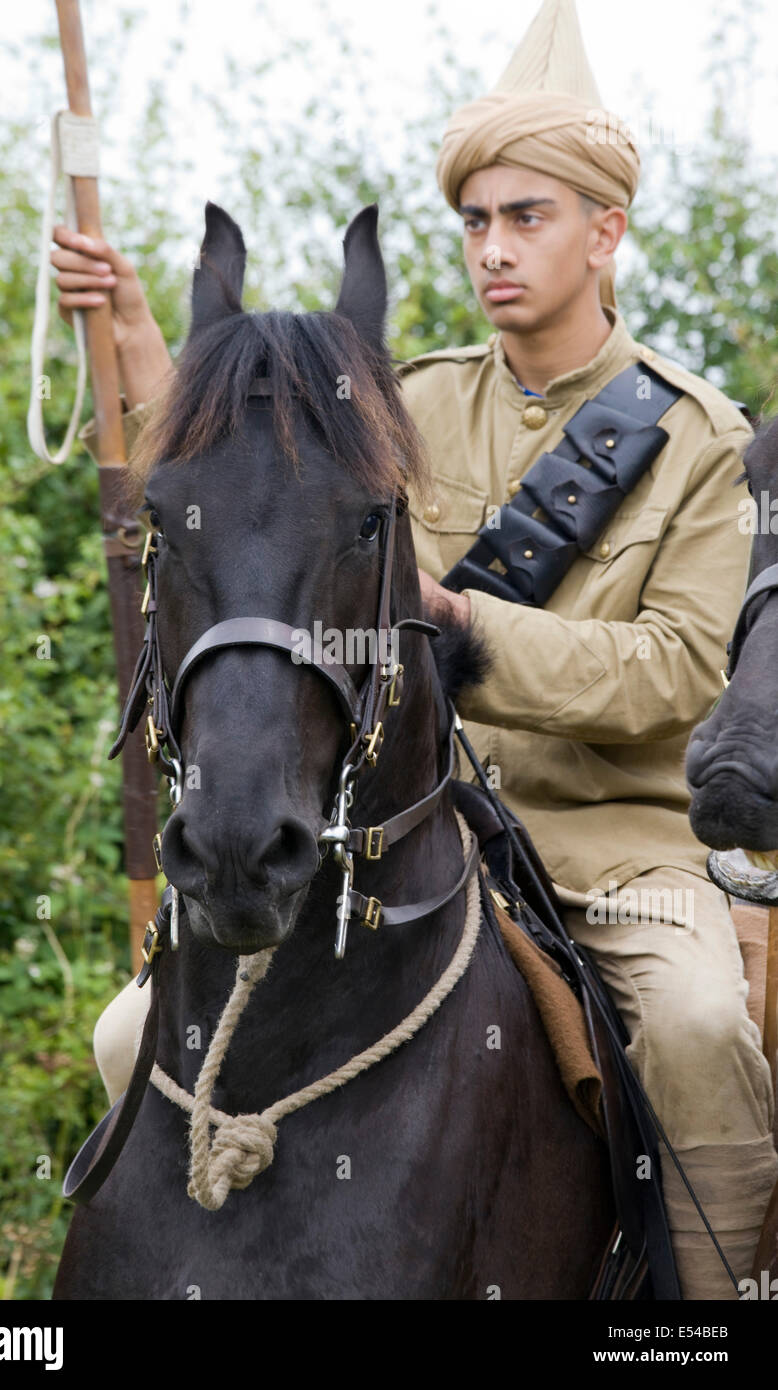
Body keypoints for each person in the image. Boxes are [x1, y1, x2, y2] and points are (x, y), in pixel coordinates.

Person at [54, 0, 777, 1300]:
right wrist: (133, 329)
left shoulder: (699, 440)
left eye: (526, 216)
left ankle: (710, 1308)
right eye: (474, 220)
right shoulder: (403, 400)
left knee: (693, 1027)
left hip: (615, 851)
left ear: (604, 232)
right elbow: (245, 480)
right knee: (126, 1036)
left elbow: (678, 672)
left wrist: (462, 622)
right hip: (405, 836)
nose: (490, 249)